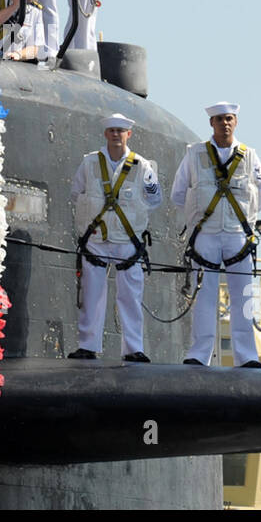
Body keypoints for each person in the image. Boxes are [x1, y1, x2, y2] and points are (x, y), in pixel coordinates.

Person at [172, 102, 261, 368]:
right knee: (204, 297)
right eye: (219, 119)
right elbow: (178, 193)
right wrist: (198, 222)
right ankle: (200, 353)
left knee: (243, 297)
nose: (224, 123)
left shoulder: (250, 156)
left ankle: (247, 355)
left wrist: (241, 220)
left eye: (229, 119)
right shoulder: (194, 155)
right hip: (206, 233)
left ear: (235, 122)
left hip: (238, 234)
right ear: (211, 123)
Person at [68, 113, 162, 362]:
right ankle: (88, 345)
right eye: (112, 131)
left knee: (130, 297)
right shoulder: (89, 163)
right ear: (105, 134)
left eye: (121, 131)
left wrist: (134, 218)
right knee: (92, 295)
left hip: (127, 242)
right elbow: (77, 192)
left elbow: (154, 199)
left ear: (128, 134)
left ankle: (133, 348)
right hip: (96, 239)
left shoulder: (142, 166)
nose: (116, 135)